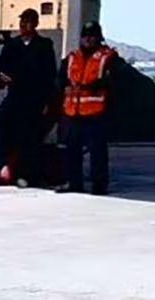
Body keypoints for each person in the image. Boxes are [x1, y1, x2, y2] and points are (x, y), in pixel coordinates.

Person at [0, 8, 56, 188]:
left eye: (27, 22)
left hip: (33, 100)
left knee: (29, 140)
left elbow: (48, 76)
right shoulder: (12, 45)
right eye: (21, 22)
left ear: (35, 24)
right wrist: (1, 76)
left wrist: (47, 102)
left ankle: (25, 175)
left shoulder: (43, 46)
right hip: (14, 98)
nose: (23, 26)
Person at [56, 21, 116, 195]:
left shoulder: (107, 57)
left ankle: (99, 185)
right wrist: (65, 86)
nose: (88, 39)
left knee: (97, 152)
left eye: (92, 36)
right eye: (85, 36)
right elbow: (62, 79)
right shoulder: (72, 57)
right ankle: (73, 182)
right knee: (71, 150)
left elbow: (112, 82)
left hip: (95, 112)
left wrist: (92, 86)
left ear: (98, 38)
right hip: (72, 110)